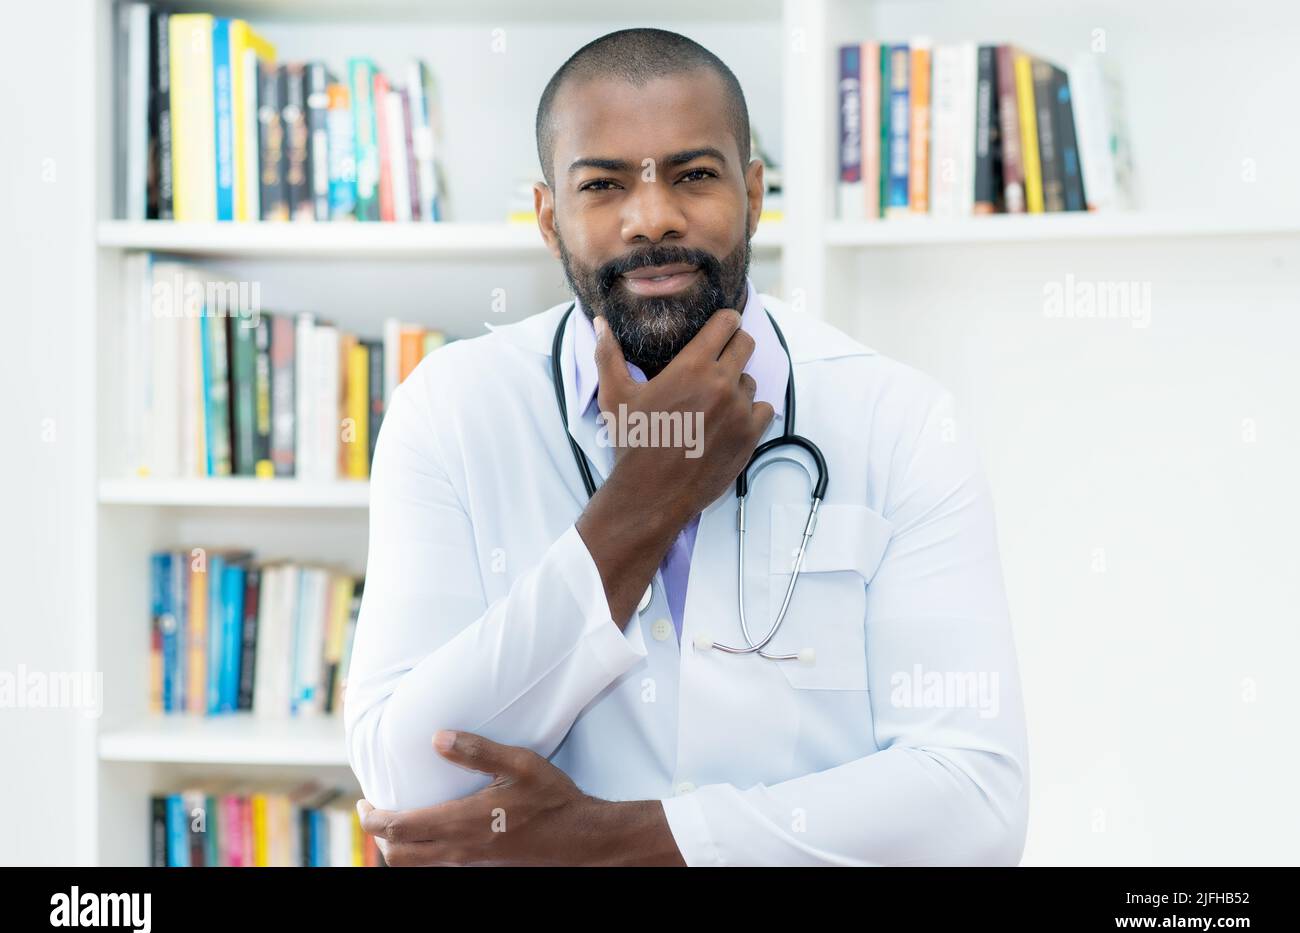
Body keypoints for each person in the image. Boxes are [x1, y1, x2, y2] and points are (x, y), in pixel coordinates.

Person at [343, 28, 1028, 866]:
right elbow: (406, 782)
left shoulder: (901, 419)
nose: (652, 216)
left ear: (755, 192)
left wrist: (607, 844)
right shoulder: (451, 411)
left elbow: (976, 805)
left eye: (693, 175)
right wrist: (648, 496)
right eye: (602, 185)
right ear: (548, 217)